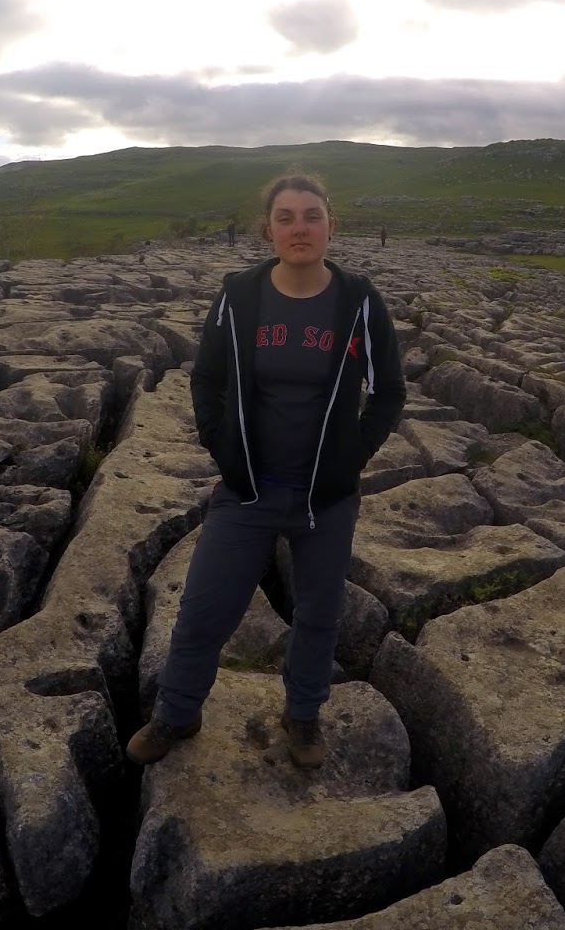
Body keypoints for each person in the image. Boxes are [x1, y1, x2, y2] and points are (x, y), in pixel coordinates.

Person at [126, 173, 406, 769]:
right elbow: (207, 377)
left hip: (324, 497)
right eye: (286, 217)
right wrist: (219, 445)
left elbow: (389, 393)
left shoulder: (358, 301)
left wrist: (353, 458)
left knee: (319, 615)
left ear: (331, 225)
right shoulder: (239, 295)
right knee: (204, 609)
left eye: (311, 215)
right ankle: (177, 712)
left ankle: (302, 716)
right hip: (248, 487)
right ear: (268, 229)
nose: (299, 228)